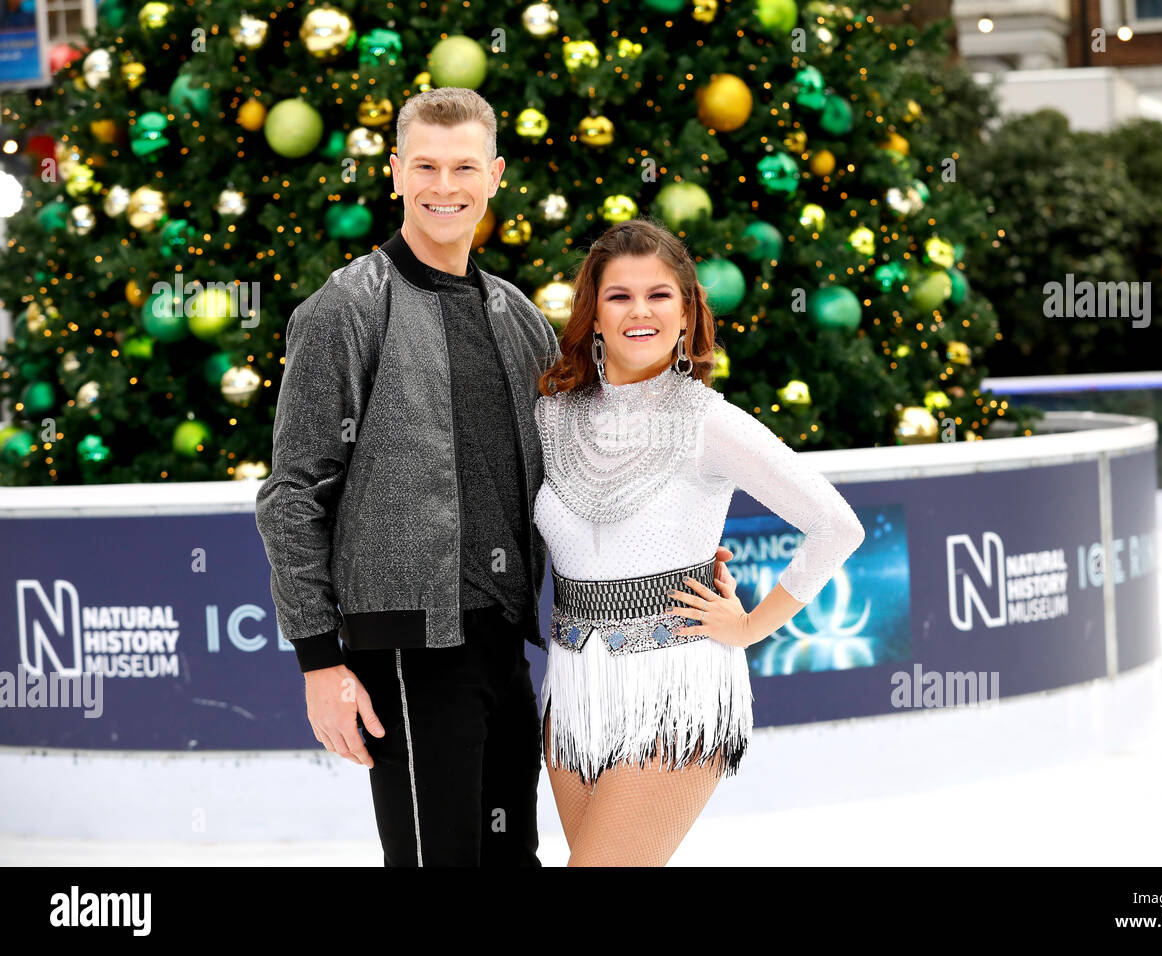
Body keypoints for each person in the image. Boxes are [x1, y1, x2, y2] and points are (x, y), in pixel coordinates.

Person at [254, 88, 736, 866]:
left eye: (464, 168)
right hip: (409, 643)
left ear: (495, 176)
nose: (445, 186)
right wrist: (320, 661)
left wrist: (679, 560)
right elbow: (291, 495)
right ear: (395, 173)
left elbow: (582, 462)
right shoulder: (346, 309)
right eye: (426, 167)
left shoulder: (518, 318)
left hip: (505, 641)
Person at [533, 217, 867, 866]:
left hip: (676, 688)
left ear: (686, 314)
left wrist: (750, 627)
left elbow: (836, 526)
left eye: (659, 295)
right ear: (592, 315)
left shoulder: (710, 421)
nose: (640, 311)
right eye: (619, 296)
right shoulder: (551, 416)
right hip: (574, 690)